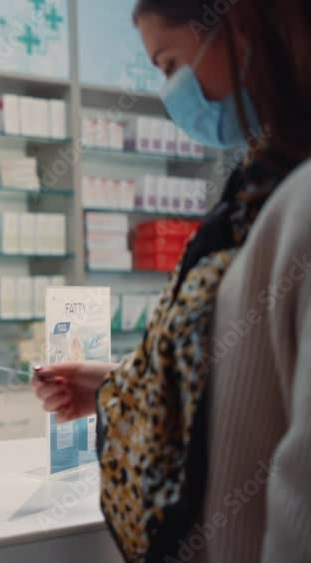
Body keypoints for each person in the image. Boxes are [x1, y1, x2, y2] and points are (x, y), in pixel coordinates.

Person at [33, 0, 311, 561]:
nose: (171, 92)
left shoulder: (296, 200)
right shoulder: (261, 187)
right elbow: (250, 373)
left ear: (241, 27)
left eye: (167, 63)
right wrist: (114, 386)